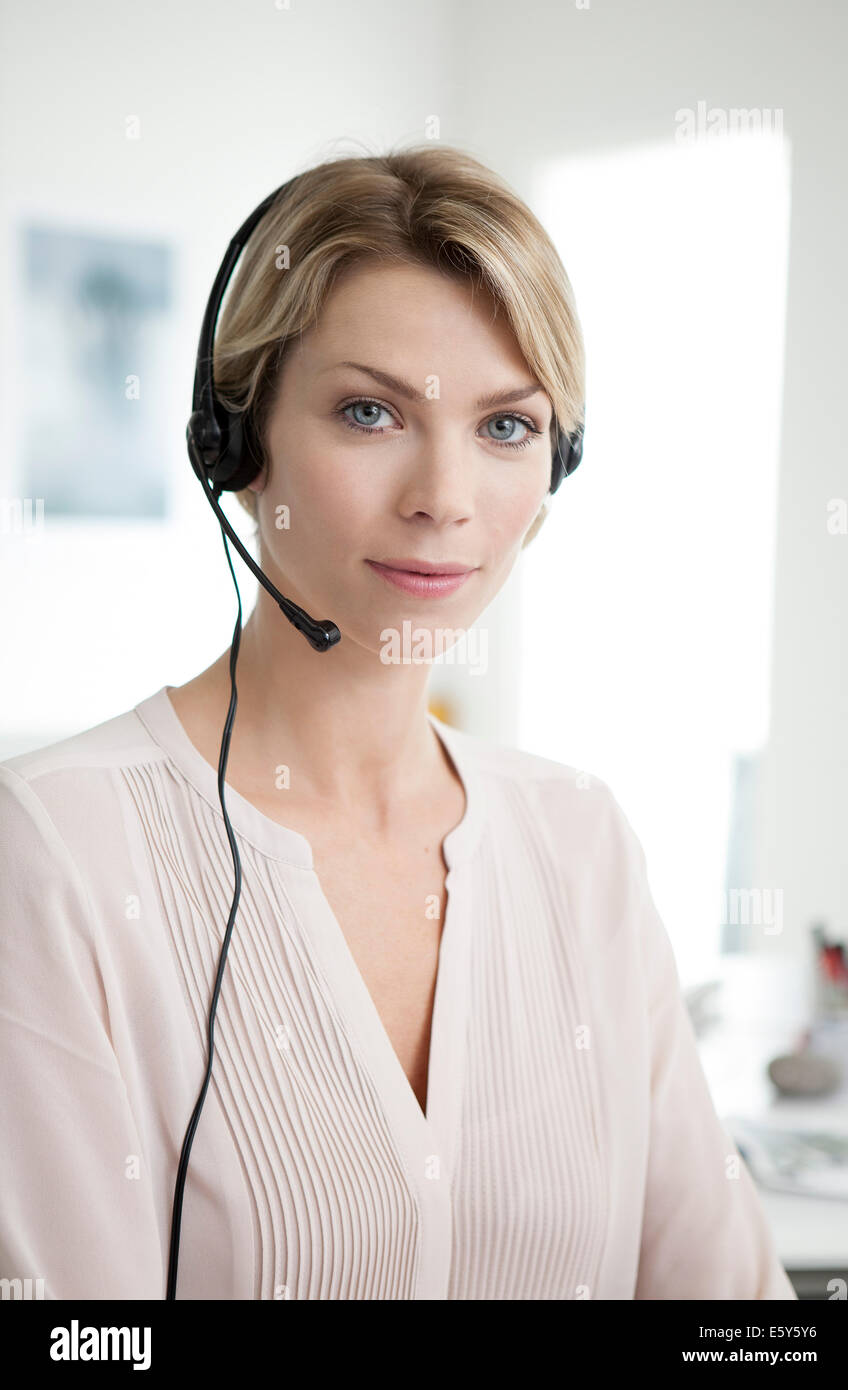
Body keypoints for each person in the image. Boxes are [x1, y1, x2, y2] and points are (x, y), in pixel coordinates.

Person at [0, 145, 796, 1300]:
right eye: (370, 412)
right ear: (236, 439)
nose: (445, 497)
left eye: (507, 427)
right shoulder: (59, 851)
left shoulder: (579, 841)